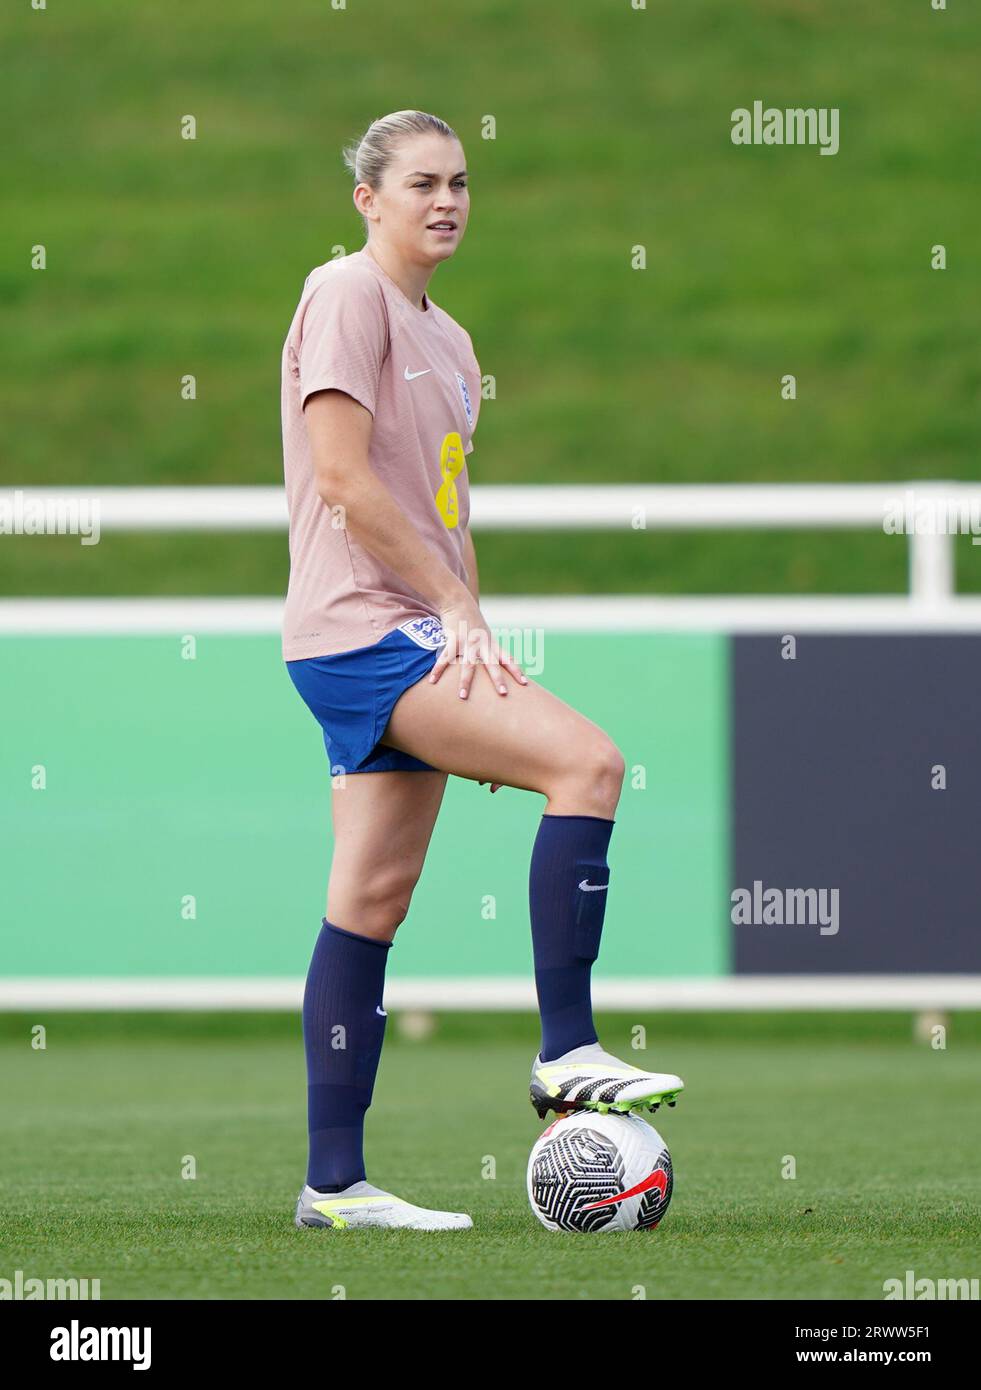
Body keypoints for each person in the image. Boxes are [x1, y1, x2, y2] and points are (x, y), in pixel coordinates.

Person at [281, 110, 684, 1232]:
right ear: (369, 198)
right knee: (589, 763)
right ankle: (566, 1052)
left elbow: (444, 516)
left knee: (369, 897)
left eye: (461, 182)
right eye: (420, 183)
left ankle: (334, 1184)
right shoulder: (345, 294)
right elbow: (344, 482)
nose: (446, 200)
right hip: (363, 631)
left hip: (410, 631)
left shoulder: (452, 343)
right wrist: (451, 609)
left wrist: (472, 616)